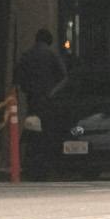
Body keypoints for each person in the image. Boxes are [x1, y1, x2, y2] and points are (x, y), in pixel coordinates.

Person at [12, 19, 70, 187]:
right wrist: (53, 92)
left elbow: (17, 76)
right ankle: (46, 166)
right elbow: (64, 76)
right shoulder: (52, 55)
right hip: (48, 100)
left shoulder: (27, 55)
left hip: (32, 99)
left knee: (32, 132)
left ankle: (32, 164)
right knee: (47, 133)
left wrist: (25, 89)